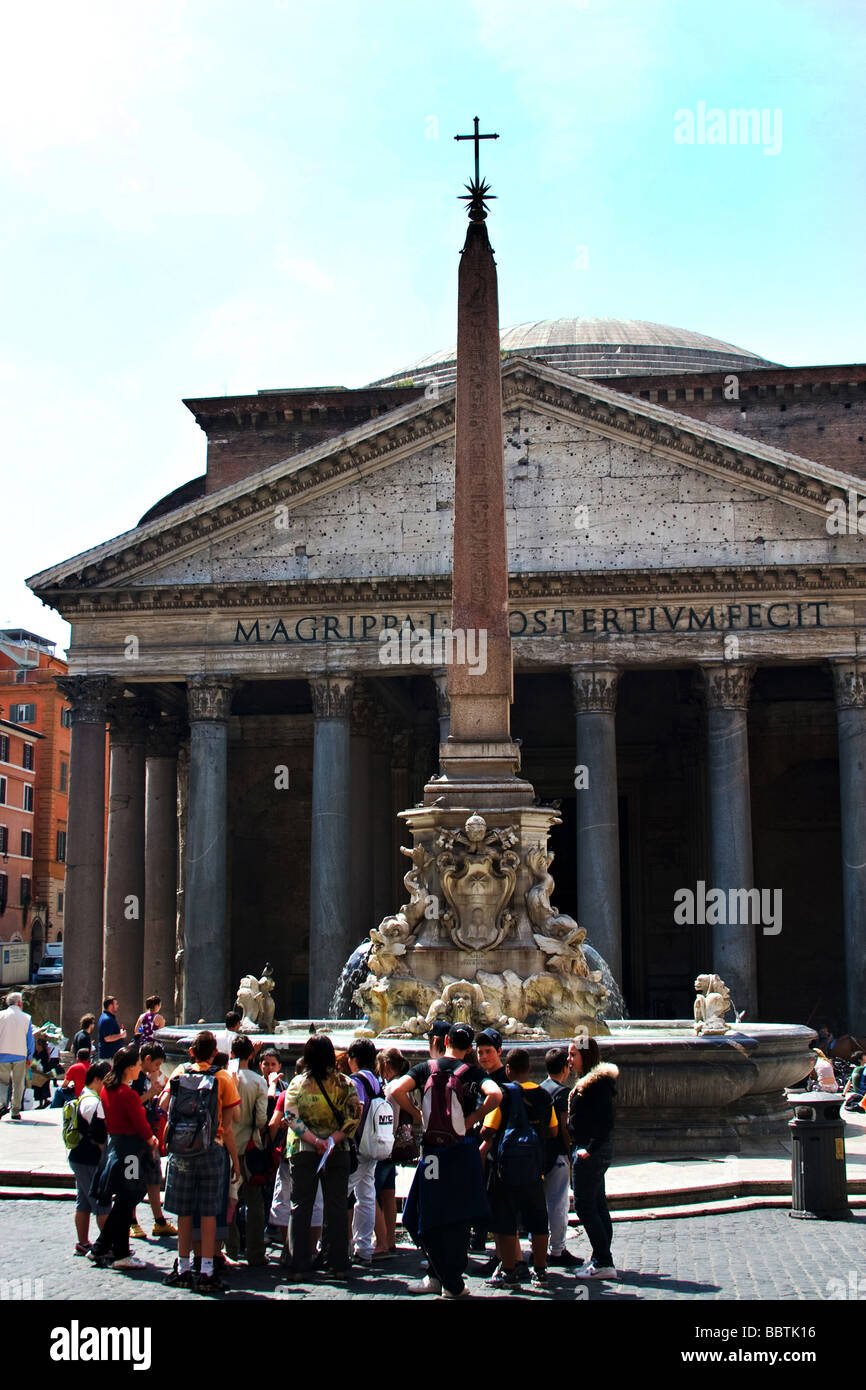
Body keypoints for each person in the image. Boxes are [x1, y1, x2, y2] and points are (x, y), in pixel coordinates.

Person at [392, 1022, 501, 1298]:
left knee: (427, 1210)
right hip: (463, 1152)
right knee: (459, 1214)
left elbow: (394, 1090)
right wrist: (472, 1119)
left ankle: (444, 1277)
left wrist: (418, 1115)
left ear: (445, 1041)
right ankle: (450, 1278)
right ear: (470, 1048)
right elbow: (496, 1094)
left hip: (432, 1155)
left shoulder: (427, 1068)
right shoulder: (474, 1073)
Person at [160, 1030, 242, 1294]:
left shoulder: (179, 1074)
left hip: (182, 1149)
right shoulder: (223, 1078)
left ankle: (183, 1268)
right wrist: (235, 1161)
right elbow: (228, 1126)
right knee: (208, 1212)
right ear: (214, 1053)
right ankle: (206, 1269)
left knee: (184, 1211)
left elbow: (164, 1104)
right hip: (212, 1149)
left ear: (192, 1052)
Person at [283, 1033, 361, 1281]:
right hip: (337, 1151)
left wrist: (314, 1141)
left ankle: (297, 1264)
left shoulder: (296, 1084)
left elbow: (291, 1116)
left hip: (303, 1151)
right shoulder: (346, 1084)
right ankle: (338, 1263)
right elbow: (353, 1118)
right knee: (337, 1207)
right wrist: (331, 1140)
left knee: (300, 1206)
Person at [479, 1047, 558, 1287]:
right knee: (537, 1218)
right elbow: (553, 1130)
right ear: (530, 1069)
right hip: (534, 1168)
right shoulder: (544, 1095)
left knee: (505, 1220)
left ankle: (509, 1271)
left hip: (505, 1170)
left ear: (508, 1069)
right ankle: (541, 1270)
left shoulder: (503, 1094)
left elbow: (487, 1130)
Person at [88, 1044, 159, 1271]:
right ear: (129, 1068)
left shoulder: (107, 1089)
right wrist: (152, 1141)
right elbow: (140, 1123)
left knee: (124, 1200)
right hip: (131, 1152)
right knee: (130, 1196)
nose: (141, 1069)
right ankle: (103, 1247)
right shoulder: (127, 1094)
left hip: (116, 1148)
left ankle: (118, 1251)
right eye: (138, 1065)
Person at [567, 1035, 618, 1280]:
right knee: (597, 1204)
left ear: (585, 1056)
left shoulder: (595, 1085)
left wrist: (590, 1148)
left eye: (573, 1055)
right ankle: (602, 1257)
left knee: (586, 1207)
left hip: (590, 1151)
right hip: (593, 1149)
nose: (569, 1060)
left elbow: (605, 1121)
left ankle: (603, 1261)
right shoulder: (593, 1082)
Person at [226, 1033, 269, 1267]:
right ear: (252, 1055)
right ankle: (255, 1252)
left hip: (228, 1145)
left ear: (231, 1054)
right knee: (254, 1203)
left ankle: (230, 1249)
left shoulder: (225, 1078)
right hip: (250, 1146)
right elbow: (262, 1119)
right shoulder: (258, 1081)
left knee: (229, 1201)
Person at [129, 1041, 176, 1239]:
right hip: (131, 1138)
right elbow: (127, 1103)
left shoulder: (145, 1075)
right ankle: (130, 1220)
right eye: (156, 1064)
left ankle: (158, 1220)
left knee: (154, 1177)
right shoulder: (132, 1076)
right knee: (130, 1179)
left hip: (147, 1134)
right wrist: (149, 1094)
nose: (157, 1069)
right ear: (146, 1060)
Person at [346, 1037, 385, 1268]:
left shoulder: (357, 1081)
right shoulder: (376, 1079)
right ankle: (365, 1247)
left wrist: (347, 1135)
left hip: (359, 1144)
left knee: (344, 1192)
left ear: (353, 1060)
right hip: (373, 1143)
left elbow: (357, 1110)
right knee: (367, 1193)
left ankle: (346, 1245)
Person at [66, 1060, 110, 1255]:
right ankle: (109, 1247)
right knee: (101, 1204)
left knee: (83, 1201)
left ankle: (83, 1243)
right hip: (89, 1159)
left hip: (80, 1157)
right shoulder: (93, 1101)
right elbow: (99, 1135)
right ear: (98, 1079)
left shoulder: (86, 1096)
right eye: (107, 1080)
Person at [540, 1046, 579, 1267]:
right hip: (557, 1154)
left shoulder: (539, 1088)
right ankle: (557, 1250)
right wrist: (570, 1151)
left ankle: (541, 1246)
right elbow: (564, 1127)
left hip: (540, 1154)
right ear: (565, 1068)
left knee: (544, 1202)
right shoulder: (563, 1093)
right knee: (558, 1203)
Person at [470, 1027, 507, 1254]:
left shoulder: (504, 1081)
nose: (483, 1056)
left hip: (491, 1148)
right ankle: (479, 1236)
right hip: (478, 1144)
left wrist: (486, 1146)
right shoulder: (481, 1077)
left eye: (488, 1051)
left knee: (492, 1194)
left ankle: (496, 1247)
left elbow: (504, 1118)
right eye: (480, 1052)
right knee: (480, 1191)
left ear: (500, 1051)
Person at [375, 1047, 413, 1258]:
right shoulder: (407, 1084)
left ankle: (381, 1242)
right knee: (388, 1195)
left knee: (371, 1193)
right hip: (395, 1149)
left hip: (386, 1148)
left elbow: (391, 1119)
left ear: (387, 1066)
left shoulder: (392, 1088)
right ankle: (390, 1241)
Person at [0, 992, 35, 1121]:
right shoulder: (26, 1018)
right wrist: (30, 1056)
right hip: (20, 1055)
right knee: (18, 1083)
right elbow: (30, 1040)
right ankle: (15, 1110)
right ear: (19, 1003)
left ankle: (2, 1104)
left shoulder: (1, 1015)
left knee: (2, 1082)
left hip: (2, 1053)